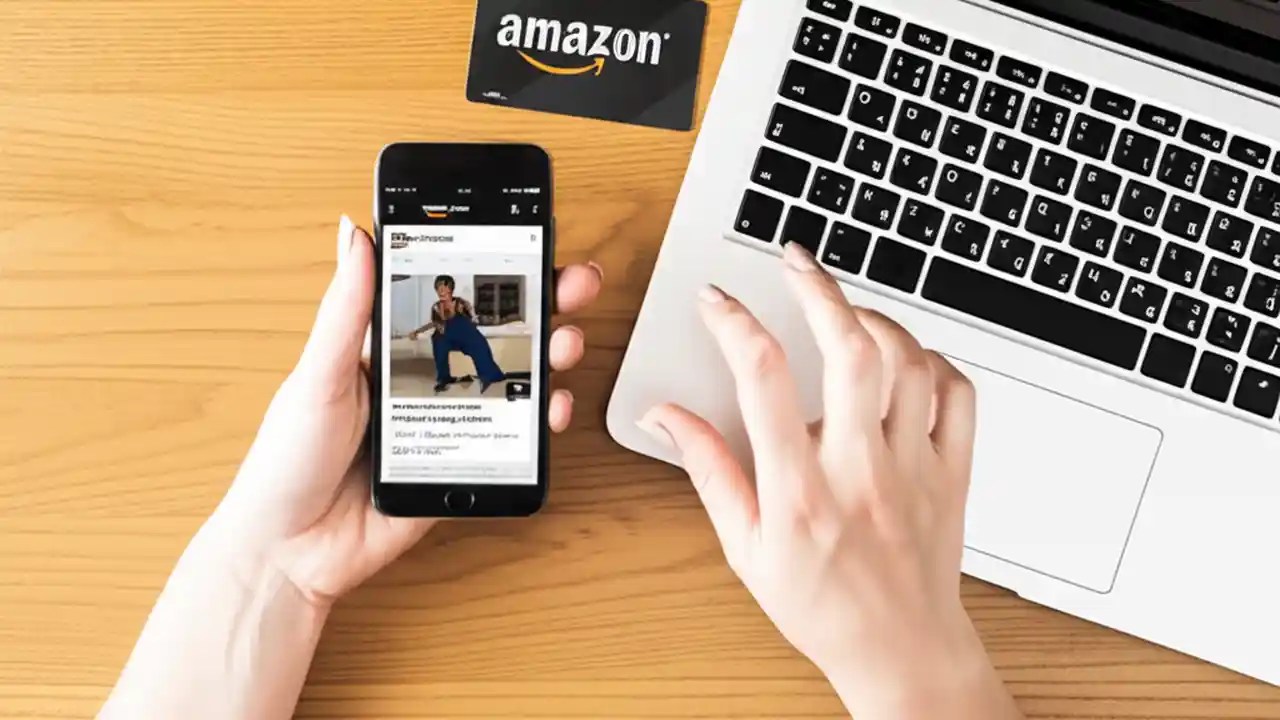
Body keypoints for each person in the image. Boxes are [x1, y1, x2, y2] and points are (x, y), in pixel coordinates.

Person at [100, 218, 1024, 720]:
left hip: (307, 536)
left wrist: (269, 565)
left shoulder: (460, 311)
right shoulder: (447, 312)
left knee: (494, 368)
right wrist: (926, 680)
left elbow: (450, 333)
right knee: (479, 366)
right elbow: (432, 331)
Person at [408, 275, 505, 394]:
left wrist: (475, 320)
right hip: (447, 336)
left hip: (465, 335)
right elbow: (434, 323)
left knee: (478, 342)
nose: (440, 291)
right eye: (438, 288)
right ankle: (444, 378)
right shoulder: (436, 307)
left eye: (443, 288)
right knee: (438, 339)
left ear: (450, 289)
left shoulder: (462, 303)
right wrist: (417, 331)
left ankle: (489, 376)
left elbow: (473, 319)